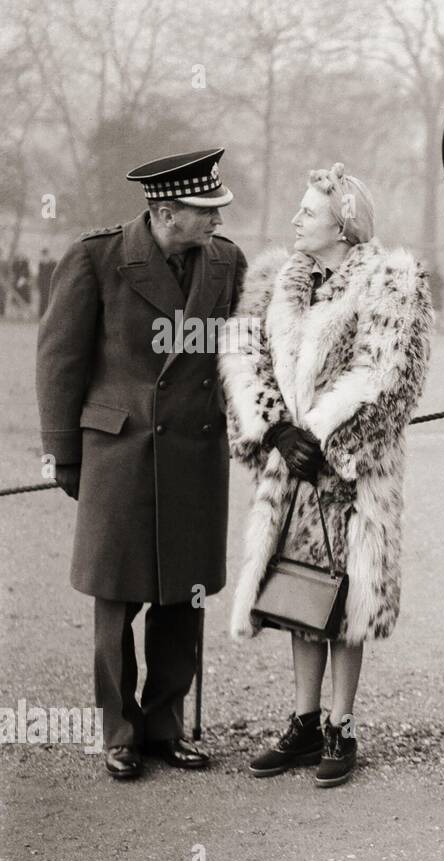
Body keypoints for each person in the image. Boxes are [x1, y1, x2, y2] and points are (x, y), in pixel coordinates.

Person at [36, 148, 246, 780]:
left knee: (184, 598)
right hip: (118, 454)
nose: (216, 220)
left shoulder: (227, 261)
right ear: (164, 212)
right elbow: (58, 361)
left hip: (194, 450)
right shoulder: (95, 259)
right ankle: (119, 730)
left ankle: (165, 726)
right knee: (116, 597)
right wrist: (63, 453)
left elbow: (241, 350)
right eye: (203, 211)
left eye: (217, 210)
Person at [220, 163, 432, 788]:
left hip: (350, 468)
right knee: (295, 590)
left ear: (341, 225)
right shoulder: (274, 282)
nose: (294, 221)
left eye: (307, 213)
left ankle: (341, 724)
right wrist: (274, 430)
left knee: (347, 593)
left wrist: (326, 435)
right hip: (291, 469)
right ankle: (304, 721)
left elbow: (388, 374)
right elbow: (243, 354)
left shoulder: (390, 282)